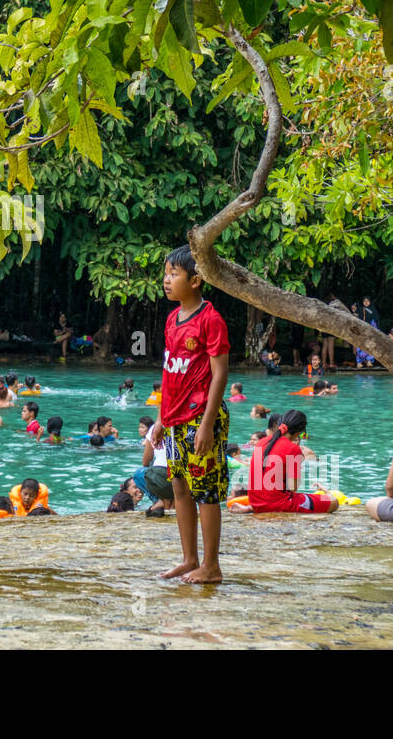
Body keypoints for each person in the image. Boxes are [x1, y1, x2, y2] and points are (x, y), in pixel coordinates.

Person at [148, 244, 230, 584]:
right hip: (175, 417)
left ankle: (211, 565)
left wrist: (208, 423)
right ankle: (189, 558)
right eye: (166, 274)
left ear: (196, 280)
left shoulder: (211, 320)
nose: (167, 280)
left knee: (206, 493)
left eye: (174, 274)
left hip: (201, 419)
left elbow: (220, 373)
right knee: (180, 487)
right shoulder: (171, 319)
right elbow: (170, 371)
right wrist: (161, 418)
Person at [231, 410, 337, 514]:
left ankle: (250, 508)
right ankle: (327, 491)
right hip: (278, 504)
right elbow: (292, 489)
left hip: (256, 503)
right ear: (299, 432)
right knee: (333, 502)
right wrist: (326, 492)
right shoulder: (293, 449)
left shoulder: (261, 442)